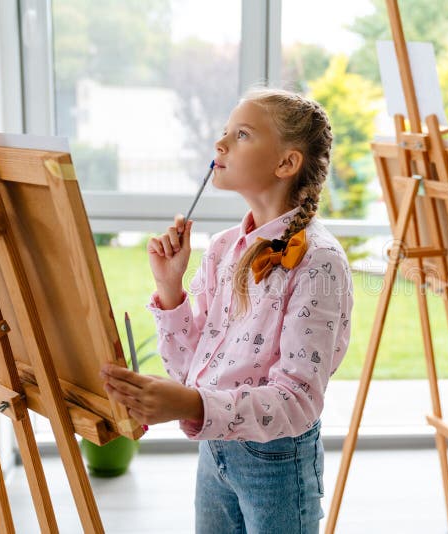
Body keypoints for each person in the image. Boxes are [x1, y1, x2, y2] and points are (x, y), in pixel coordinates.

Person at [101, 88, 353, 533]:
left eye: (241, 135)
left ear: (286, 163)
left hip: (277, 463)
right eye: (224, 133)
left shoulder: (318, 261)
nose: (220, 145)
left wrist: (192, 403)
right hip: (214, 449)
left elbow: (298, 400)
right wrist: (170, 287)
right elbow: (188, 368)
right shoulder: (222, 249)